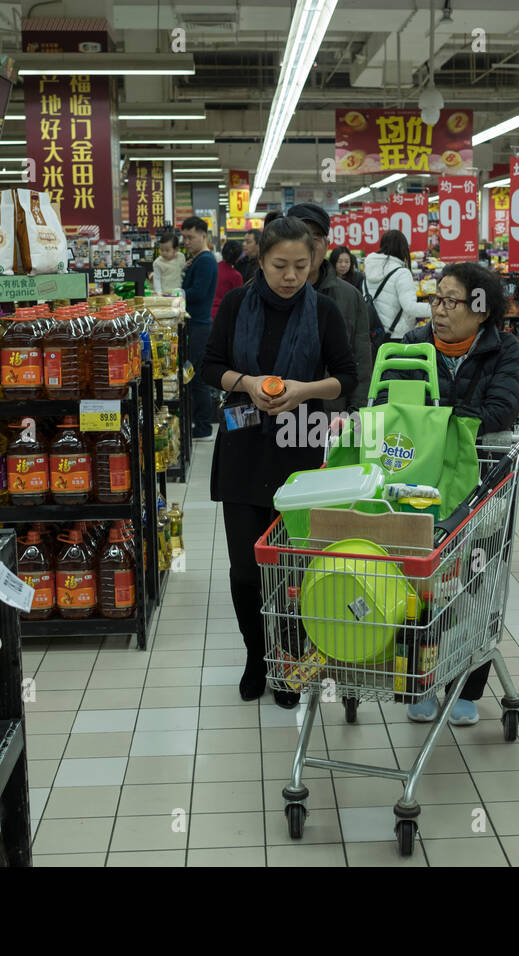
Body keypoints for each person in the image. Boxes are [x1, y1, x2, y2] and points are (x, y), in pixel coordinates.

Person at [203, 217, 357, 708]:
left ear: (315, 262)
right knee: (246, 569)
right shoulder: (234, 305)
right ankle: (256, 655)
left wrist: (303, 392)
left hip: (300, 448)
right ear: (261, 262)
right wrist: (246, 383)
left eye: (301, 265)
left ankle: (288, 657)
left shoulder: (326, 311)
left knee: (293, 567)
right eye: (279, 266)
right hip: (243, 449)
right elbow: (208, 366)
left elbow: (347, 377)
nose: (290, 276)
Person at [380, 261, 519, 727]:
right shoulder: (412, 345)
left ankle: (468, 684)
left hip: (481, 486)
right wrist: (454, 417)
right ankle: (418, 678)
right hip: (419, 487)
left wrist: (434, 417)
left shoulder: (504, 351)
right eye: (435, 299)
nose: (437, 310)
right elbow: (389, 407)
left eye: (451, 301)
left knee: (475, 583)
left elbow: (500, 411)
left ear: (481, 308)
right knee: (417, 582)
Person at [286, 203, 372, 412]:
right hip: (274, 412)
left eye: (315, 236)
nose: (307, 243)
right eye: (300, 233)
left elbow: (360, 361)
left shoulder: (350, 297)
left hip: (329, 415)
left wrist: (356, 412)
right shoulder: (257, 293)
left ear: (326, 244)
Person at [180, 216, 219, 439]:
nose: (186, 242)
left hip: (199, 325)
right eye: (184, 237)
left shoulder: (205, 261)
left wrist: (177, 294)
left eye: (190, 237)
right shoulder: (198, 260)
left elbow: (199, 293)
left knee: (196, 377)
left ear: (203, 236)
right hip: (196, 324)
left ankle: (203, 426)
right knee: (193, 375)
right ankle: (199, 423)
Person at [364, 229, 431, 342]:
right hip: (398, 335)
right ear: (402, 248)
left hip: (375, 334)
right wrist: (435, 309)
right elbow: (410, 307)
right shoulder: (401, 273)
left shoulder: (368, 271)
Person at [214, 240, 244, 314]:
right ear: (238, 257)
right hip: (224, 313)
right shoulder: (236, 276)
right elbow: (238, 300)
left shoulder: (213, 267)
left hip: (207, 312)